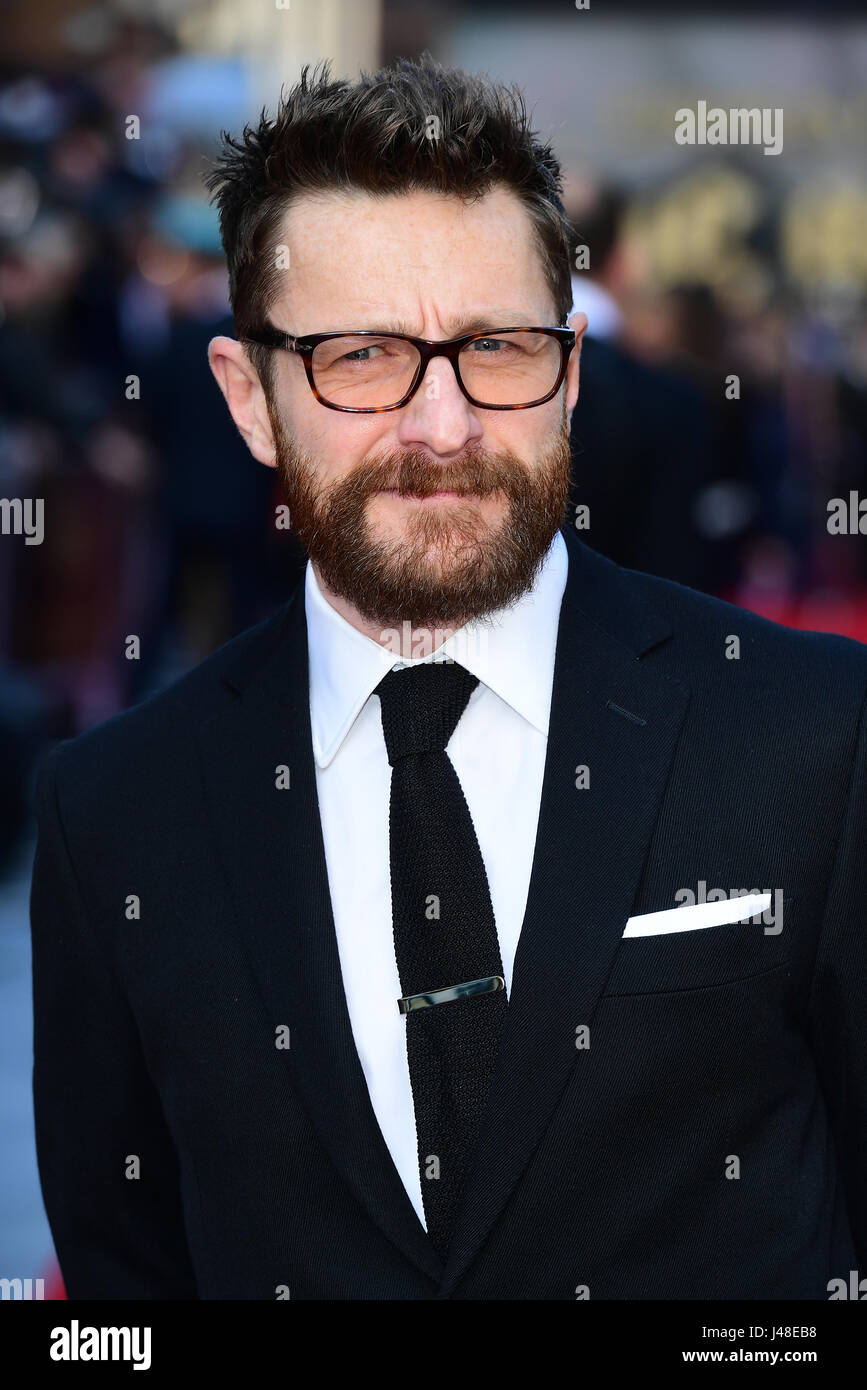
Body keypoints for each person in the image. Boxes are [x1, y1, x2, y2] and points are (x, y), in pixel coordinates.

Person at [31, 54, 866, 1301]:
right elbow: (126, 1285)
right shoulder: (115, 816)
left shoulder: (811, 735)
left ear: (572, 373)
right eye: (360, 357)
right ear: (249, 398)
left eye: (498, 348)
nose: (443, 427)